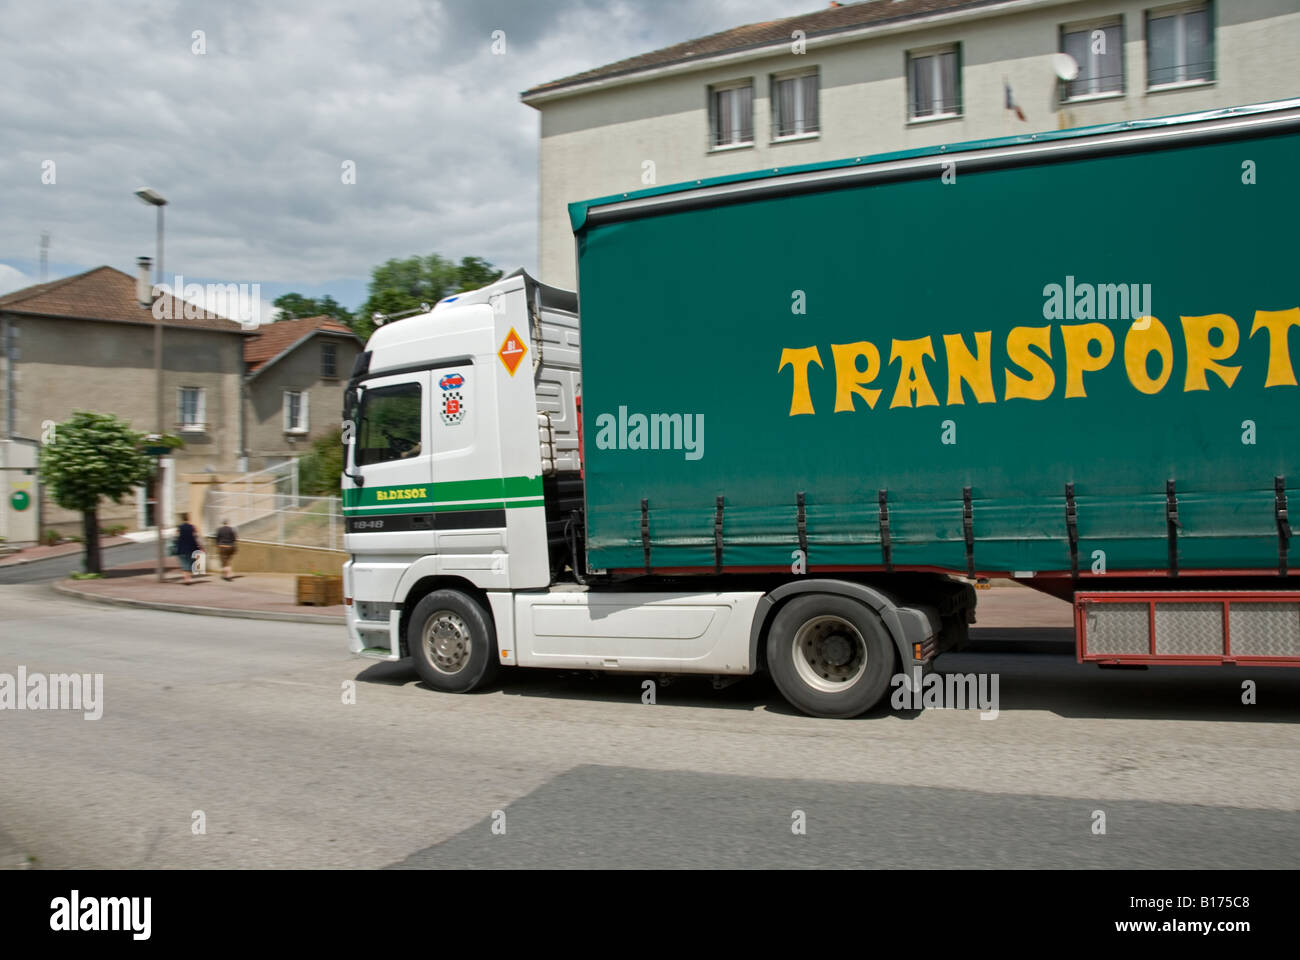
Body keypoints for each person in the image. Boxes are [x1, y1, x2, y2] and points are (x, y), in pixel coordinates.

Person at [174, 513, 201, 585]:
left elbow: (175, 538)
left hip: (181, 549)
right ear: (188, 518)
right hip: (191, 548)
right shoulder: (193, 527)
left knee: (183, 564)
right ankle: (188, 579)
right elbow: (196, 537)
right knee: (189, 563)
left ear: (182, 519)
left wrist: (176, 545)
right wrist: (200, 547)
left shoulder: (179, 528)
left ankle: (186, 579)